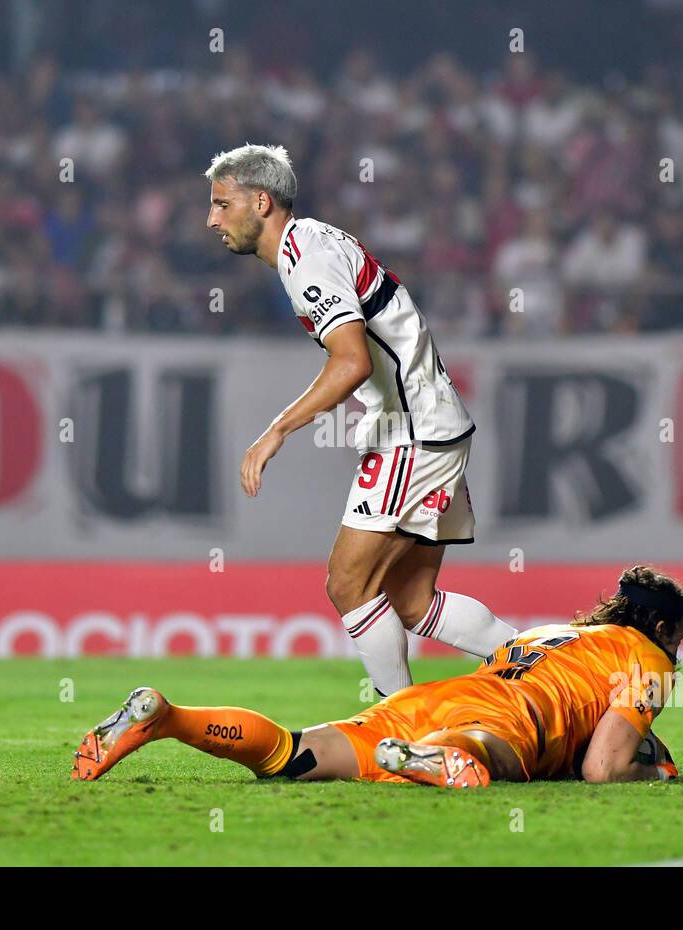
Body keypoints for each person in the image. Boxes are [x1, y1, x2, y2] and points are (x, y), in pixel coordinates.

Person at [204, 143, 514, 697]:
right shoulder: (314, 242)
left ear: (261, 201)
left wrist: (276, 429)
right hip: (430, 424)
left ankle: (399, 723)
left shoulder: (308, 261)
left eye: (222, 204)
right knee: (412, 603)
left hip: (412, 432)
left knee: (347, 582)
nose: (212, 219)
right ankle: (551, 664)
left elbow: (352, 361)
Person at [73, 566, 683, 788]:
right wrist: (655, 769)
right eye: (681, 637)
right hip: (496, 722)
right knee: (482, 756)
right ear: (662, 628)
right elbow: (602, 768)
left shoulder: (550, 634)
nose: (681, 650)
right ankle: (425, 761)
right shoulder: (651, 662)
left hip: (435, 697)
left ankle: (169, 717)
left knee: (291, 755)